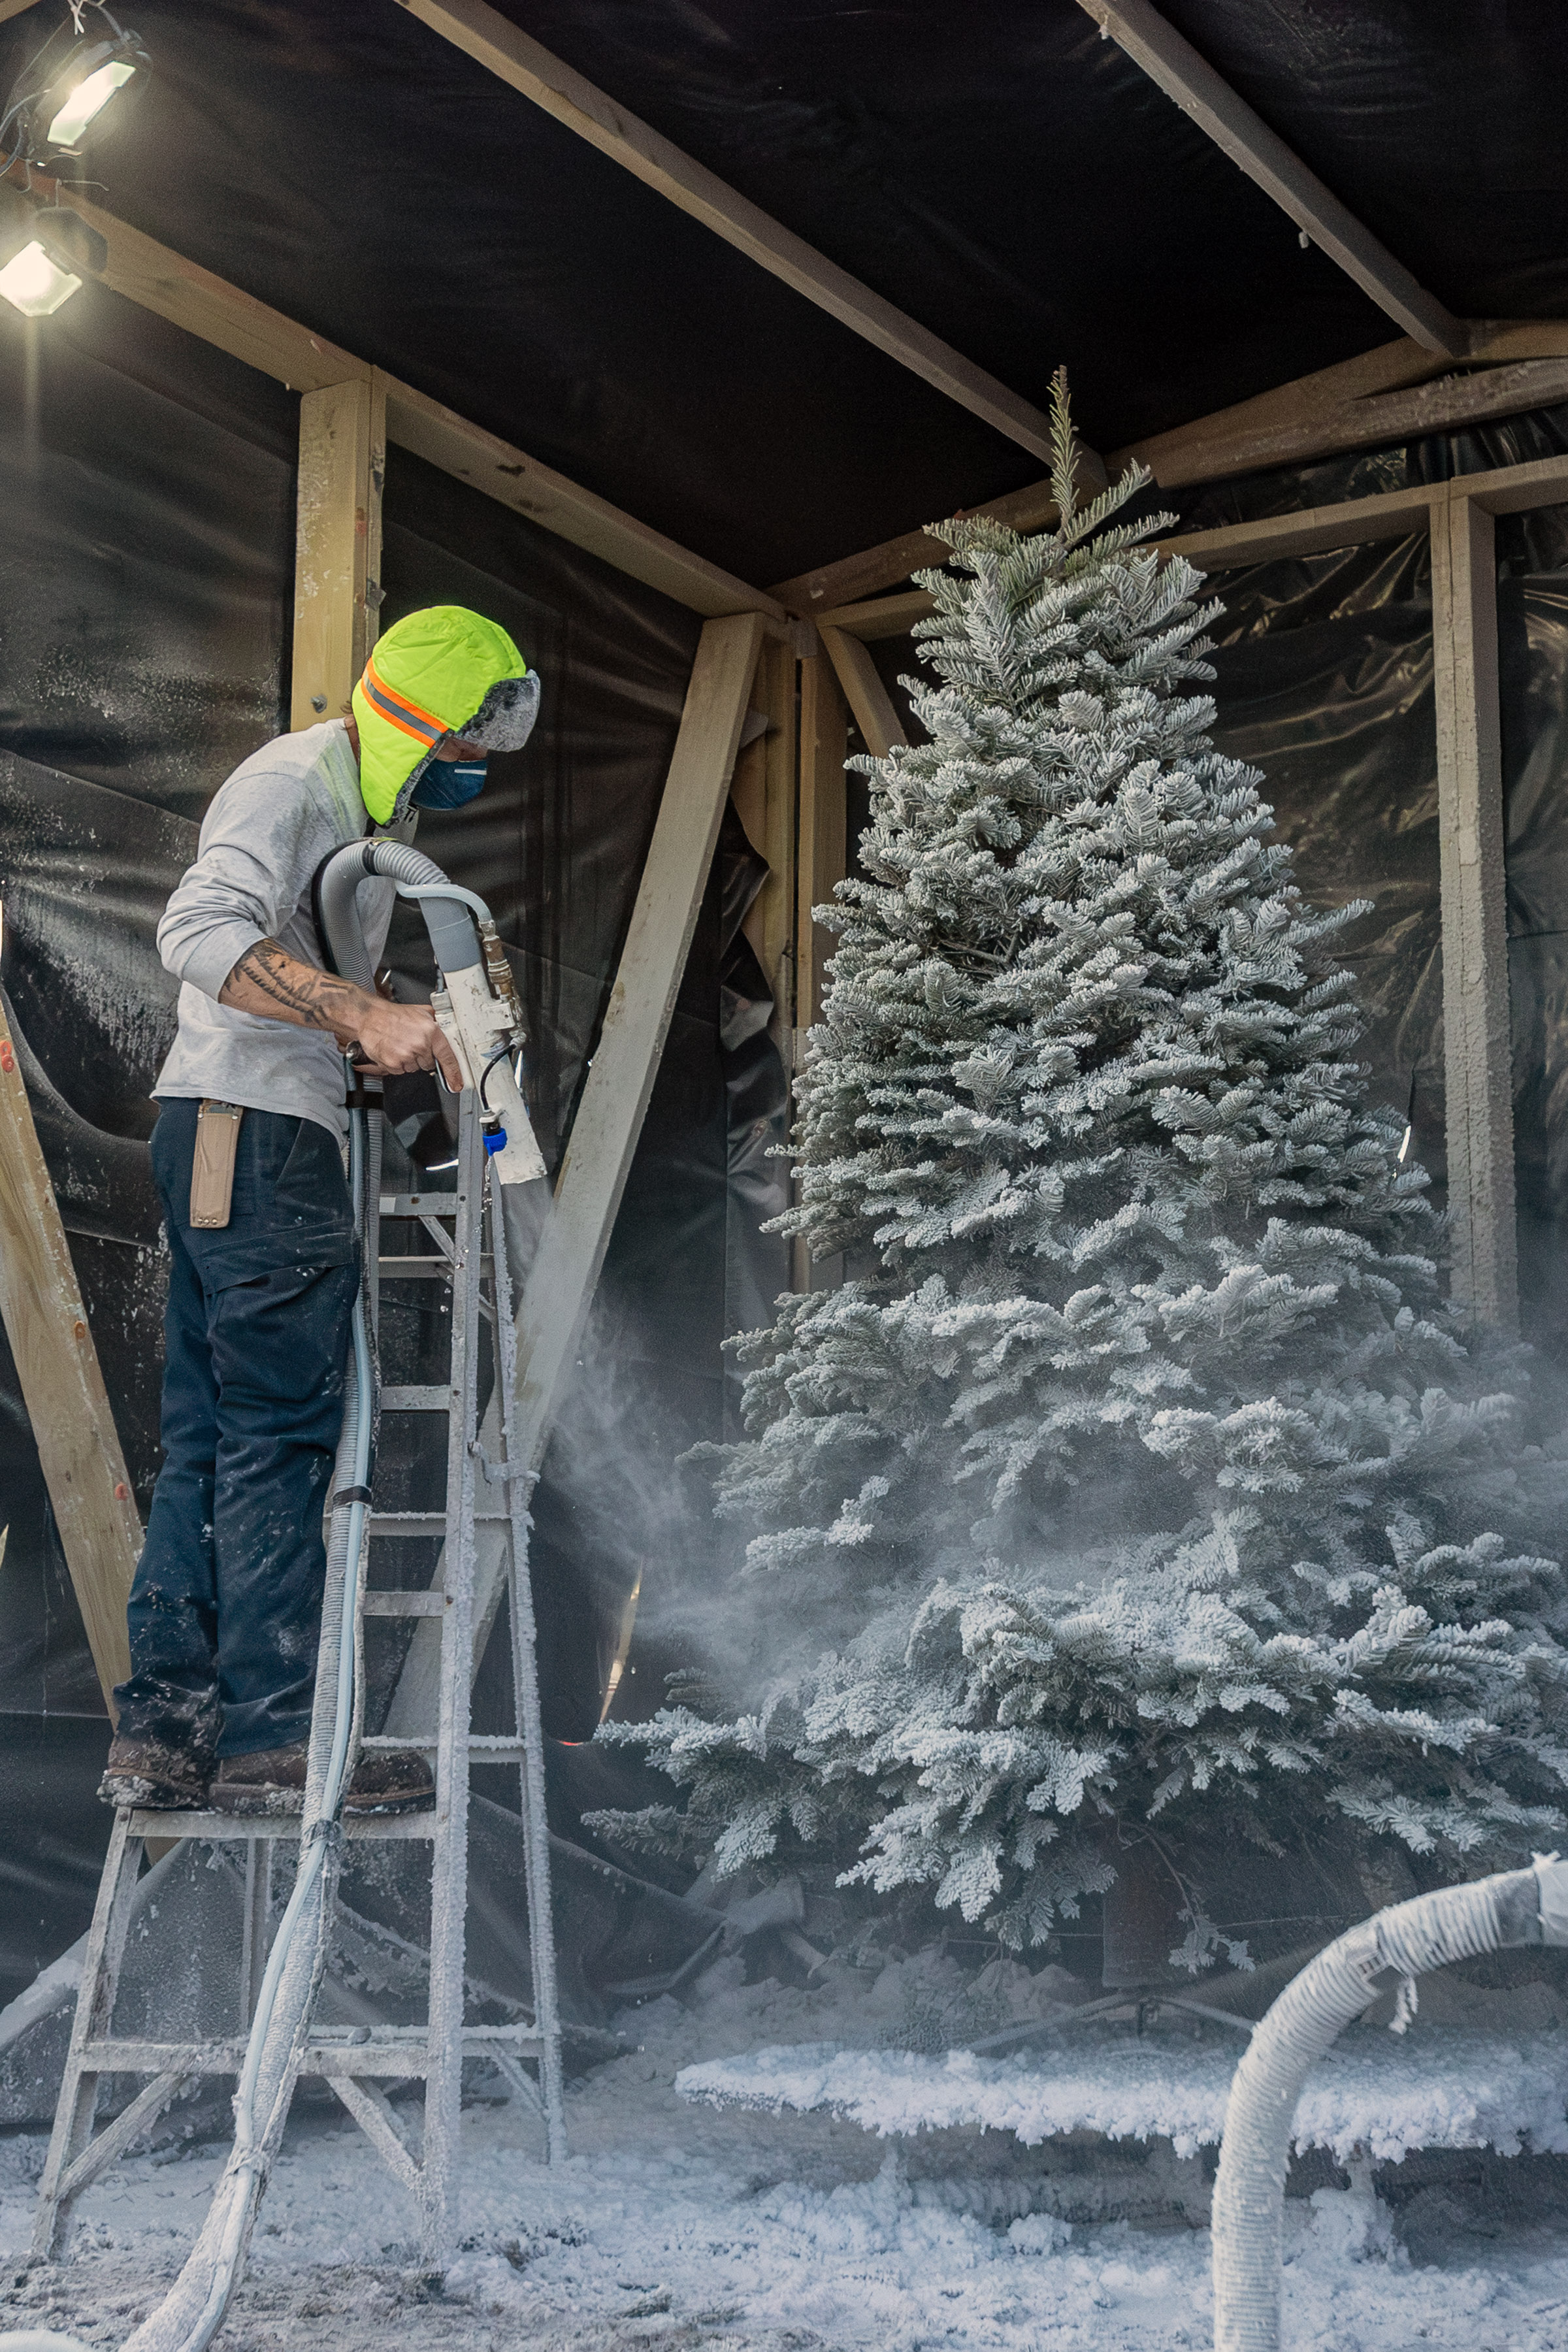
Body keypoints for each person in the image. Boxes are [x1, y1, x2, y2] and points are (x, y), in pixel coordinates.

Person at [98, 605, 540, 1817]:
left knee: (209, 1437)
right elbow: (196, 929)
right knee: (280, 1439)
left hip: (217, 1132)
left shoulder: (359, 814)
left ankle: (167, 1732)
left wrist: (398, 1028)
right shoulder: (296, 783)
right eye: (465, 746)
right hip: (263, 1151)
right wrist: (366, 1018)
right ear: (416, 720)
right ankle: (275, 1742)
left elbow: (293, 964)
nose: (471, 772)